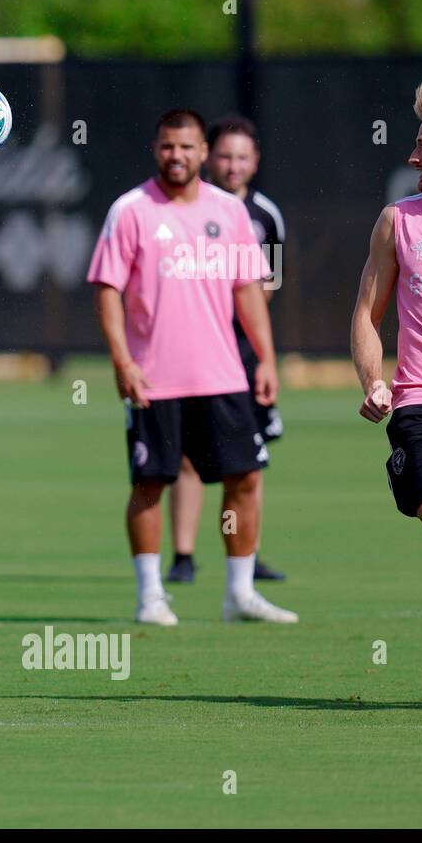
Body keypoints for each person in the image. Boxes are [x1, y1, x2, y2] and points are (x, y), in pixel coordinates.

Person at [87, 108, 298, 627]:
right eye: (166, 146)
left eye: (185, 147)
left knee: (245, 478)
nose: (175, 156)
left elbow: (248, 290)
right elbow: (108, 290)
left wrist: (266, 358)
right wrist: (122, 361)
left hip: (223, 376)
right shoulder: (131, 209)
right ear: (155, 149)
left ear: (203, 151)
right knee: (150, 482)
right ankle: (151, 595)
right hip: (154, 378)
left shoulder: (229, 212)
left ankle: (240, 594)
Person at [167, 115, 287, 584]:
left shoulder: (264, 216)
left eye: (242, 157)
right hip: (189, 348)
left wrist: (233, 291)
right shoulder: (180, 207)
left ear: (255, 162)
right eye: (224, 156)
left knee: (245, 462)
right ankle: (182, 555)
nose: (232, 166)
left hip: (241, 350)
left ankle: (245, 557)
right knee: (185, 458)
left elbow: (268, 283)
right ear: (205, 156)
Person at [352, 81, 422, 542]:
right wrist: (373, 381)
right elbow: (366, 313)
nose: (412, 158)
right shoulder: (397, 220)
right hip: (418, 402)